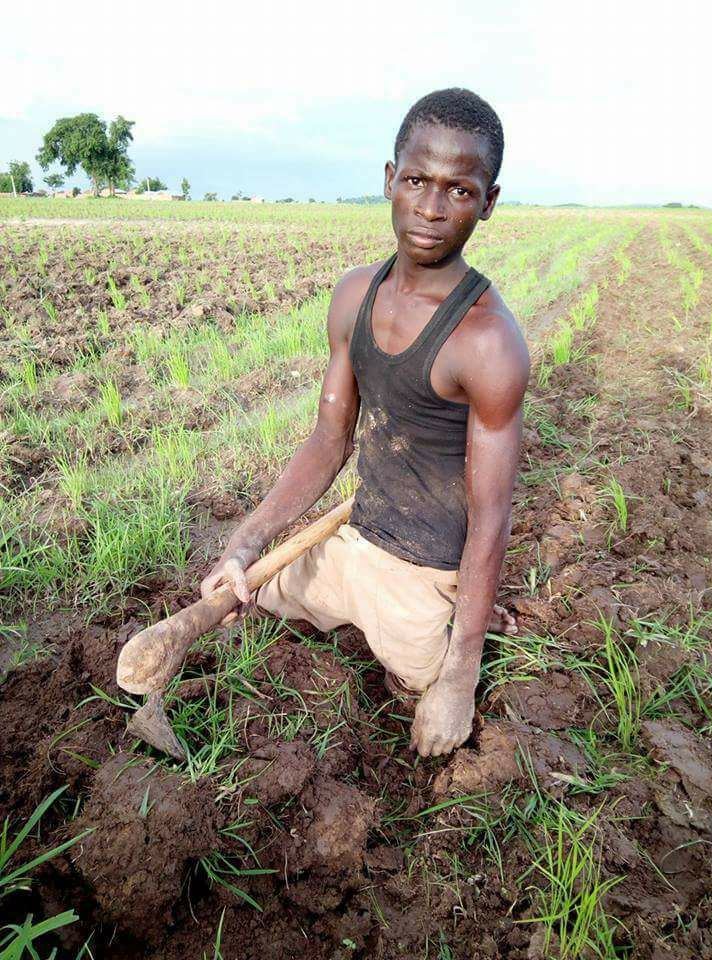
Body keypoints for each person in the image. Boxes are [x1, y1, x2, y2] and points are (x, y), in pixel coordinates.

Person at [201, 88, 530, 757]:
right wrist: (247, 541)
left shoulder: (488, 341)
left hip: (421, 569)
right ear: (389, 179)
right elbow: (329, 440)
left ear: (488, 202)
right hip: (350, 537)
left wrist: (460, 677)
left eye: (459, 190)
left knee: (421, 684)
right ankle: (427, 613)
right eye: (416, 181)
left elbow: (492, 515)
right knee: (245, 599)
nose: (431, 208)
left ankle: (462, 618)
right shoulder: (355, 294)